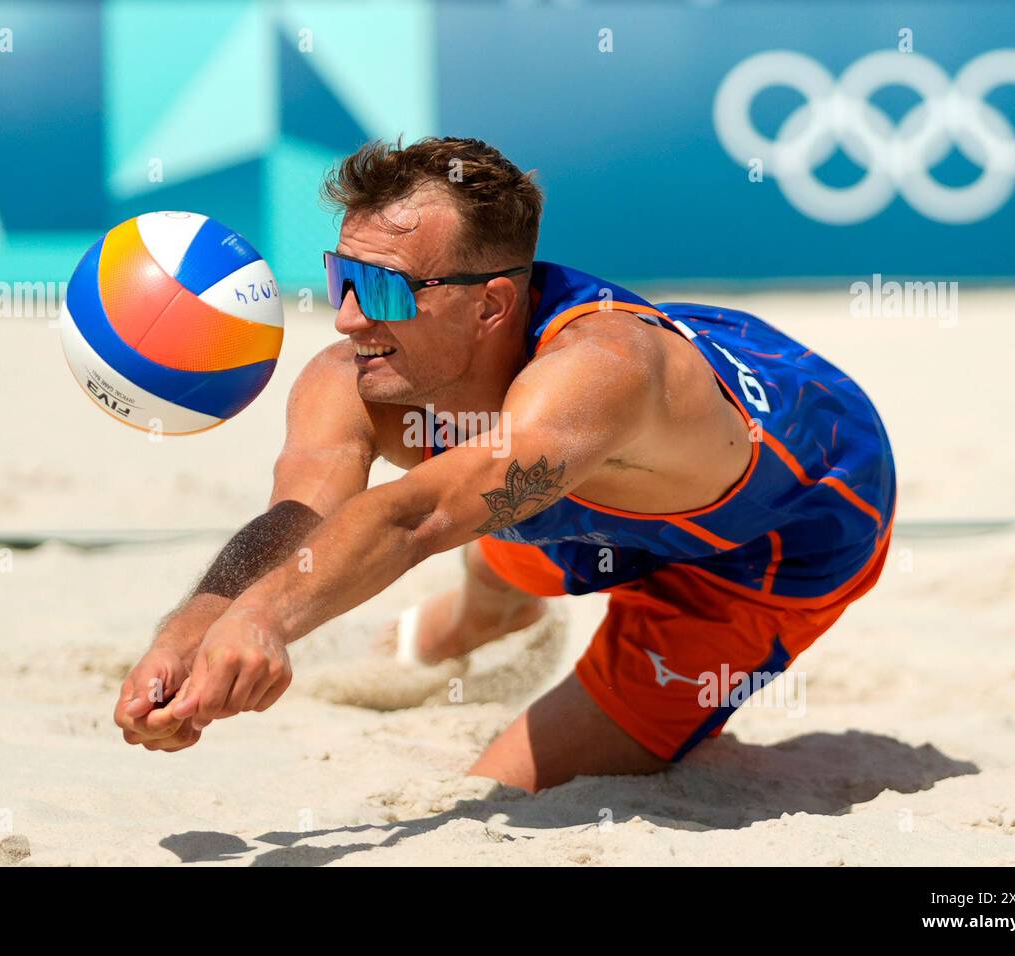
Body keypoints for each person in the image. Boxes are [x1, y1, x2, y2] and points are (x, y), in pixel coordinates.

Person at [112, 137, 896, 792]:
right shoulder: (362, 370)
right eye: (340, 277)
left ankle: (490, 607)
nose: (348, 317)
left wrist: (265, 622)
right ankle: (491, 615)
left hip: (781, 532)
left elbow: (414, 519)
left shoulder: (602, 372)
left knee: (500, 789)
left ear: (490, 305)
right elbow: (302, 516)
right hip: (576, 477)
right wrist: (193, 625)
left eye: (381, 289)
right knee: (489, 488)